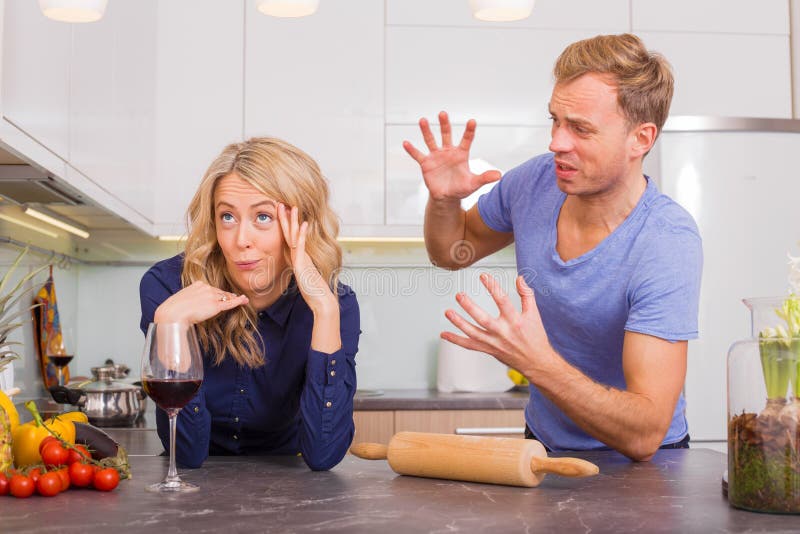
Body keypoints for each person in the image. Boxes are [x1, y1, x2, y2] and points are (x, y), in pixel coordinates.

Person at [403, 33, 702, 461]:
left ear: (641, 138)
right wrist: (446, 200)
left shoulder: (666, 241)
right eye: (555, 120)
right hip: (544, 446)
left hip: (642, 466)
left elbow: (645, 432)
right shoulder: (536, 182)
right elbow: (452, 251)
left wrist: (534, 361)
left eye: (580, 128)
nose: (556, 142)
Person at [139, 137, 360, 470]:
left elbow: (323, 455)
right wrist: (171, 322)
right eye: (227, 217)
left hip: (287, 485)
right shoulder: (168, 287)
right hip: (194, 482)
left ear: (302, 224)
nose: (241, 240)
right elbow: (186, 454)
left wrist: (326, 312)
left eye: (263, 217)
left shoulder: (334, 305)